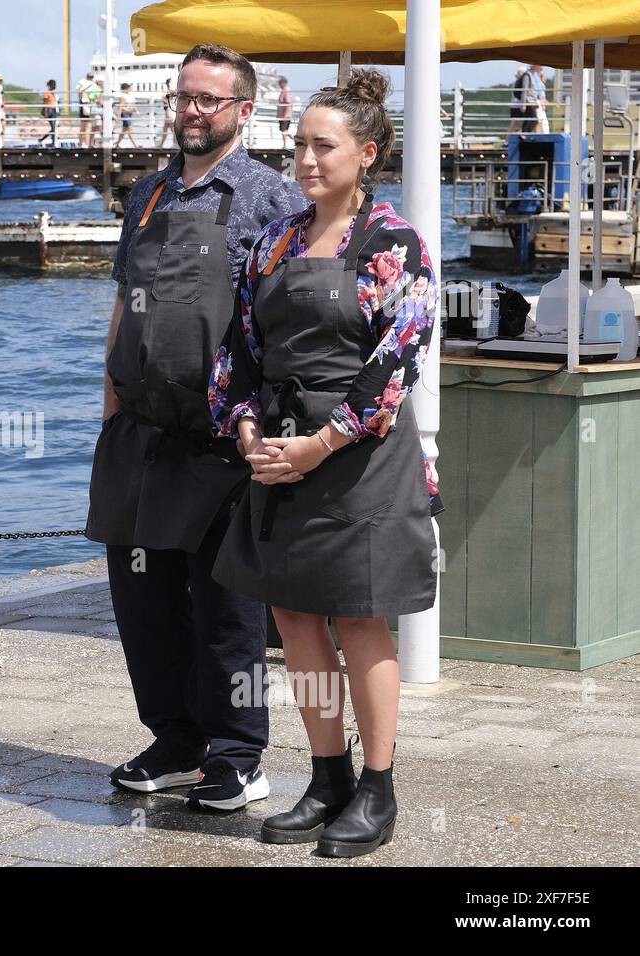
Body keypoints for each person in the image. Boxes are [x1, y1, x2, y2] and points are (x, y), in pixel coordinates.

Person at [208, 68, 441, 857]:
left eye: (323, 146)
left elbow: (396, 361)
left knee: (359, 616)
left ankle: (379, 787)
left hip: (359, 457)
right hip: (277, 448)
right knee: (295, 617)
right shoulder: (273, 242)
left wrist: (323, 441)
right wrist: (246, 431)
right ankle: (327, 775)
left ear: (366, 152)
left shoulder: (396, 244)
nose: (306, 160)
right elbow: (237, 351)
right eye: (299, 145)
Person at [86, 43, 306, 810]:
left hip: (222, 442)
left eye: (208, 100)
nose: (191, 110)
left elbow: (284, 321)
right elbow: (123, 305)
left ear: (244, 111)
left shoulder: (271, 197)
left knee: (225, 607)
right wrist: (109, 408)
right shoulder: (145, 195)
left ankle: (239, 750)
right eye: (184, 97)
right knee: (143, 603)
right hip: (140, 436)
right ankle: (175, 735)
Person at [115, 82, 138, 147]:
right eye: (129, 87)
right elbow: (121, 106)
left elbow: (133, 104)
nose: (130, 88)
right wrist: (118, 115)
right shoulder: (123, 96)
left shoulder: (130, 95)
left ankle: (117, 144)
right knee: (130, 128)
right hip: (125, 113)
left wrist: (136, 111)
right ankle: (135, 145)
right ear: (126, 88)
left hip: (129, 114)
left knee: (124, 130)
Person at [76, 71, 96, 147]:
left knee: (83, 126)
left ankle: (81, 143)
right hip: (89, 105)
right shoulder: (93, 85)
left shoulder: (81, 84)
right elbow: (93, 97)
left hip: (83, 105)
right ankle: (87, 145)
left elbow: (79, 95)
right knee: (88, 126)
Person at [39, 78, 59, 147]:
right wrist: (46, 112)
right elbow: (45, 103)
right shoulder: (47, 93)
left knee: (54, 128)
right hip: (50, 110)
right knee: (53, 128)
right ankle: (50, 141)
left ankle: (45, 140)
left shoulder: (54, 93)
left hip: (54, 110)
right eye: (54, 85)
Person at [276, 76, 295, 149]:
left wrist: (285, 115)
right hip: (283, 115)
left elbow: (287, 102)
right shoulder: (284, 90)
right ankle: (294, 140)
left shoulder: (286, 90)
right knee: (284, 130)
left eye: (279, 84)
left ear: (283, 83)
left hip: (285, 115)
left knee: (284, 130)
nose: (279, 85)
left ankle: (284, 145)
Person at [156, 77, 174, 148]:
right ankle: (161, 144)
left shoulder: (169, 92)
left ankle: (162, 144)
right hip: (168, 111)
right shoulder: (169, 92)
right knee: (166, 128)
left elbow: (165, 100)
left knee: (171, 129)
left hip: (169, 111)